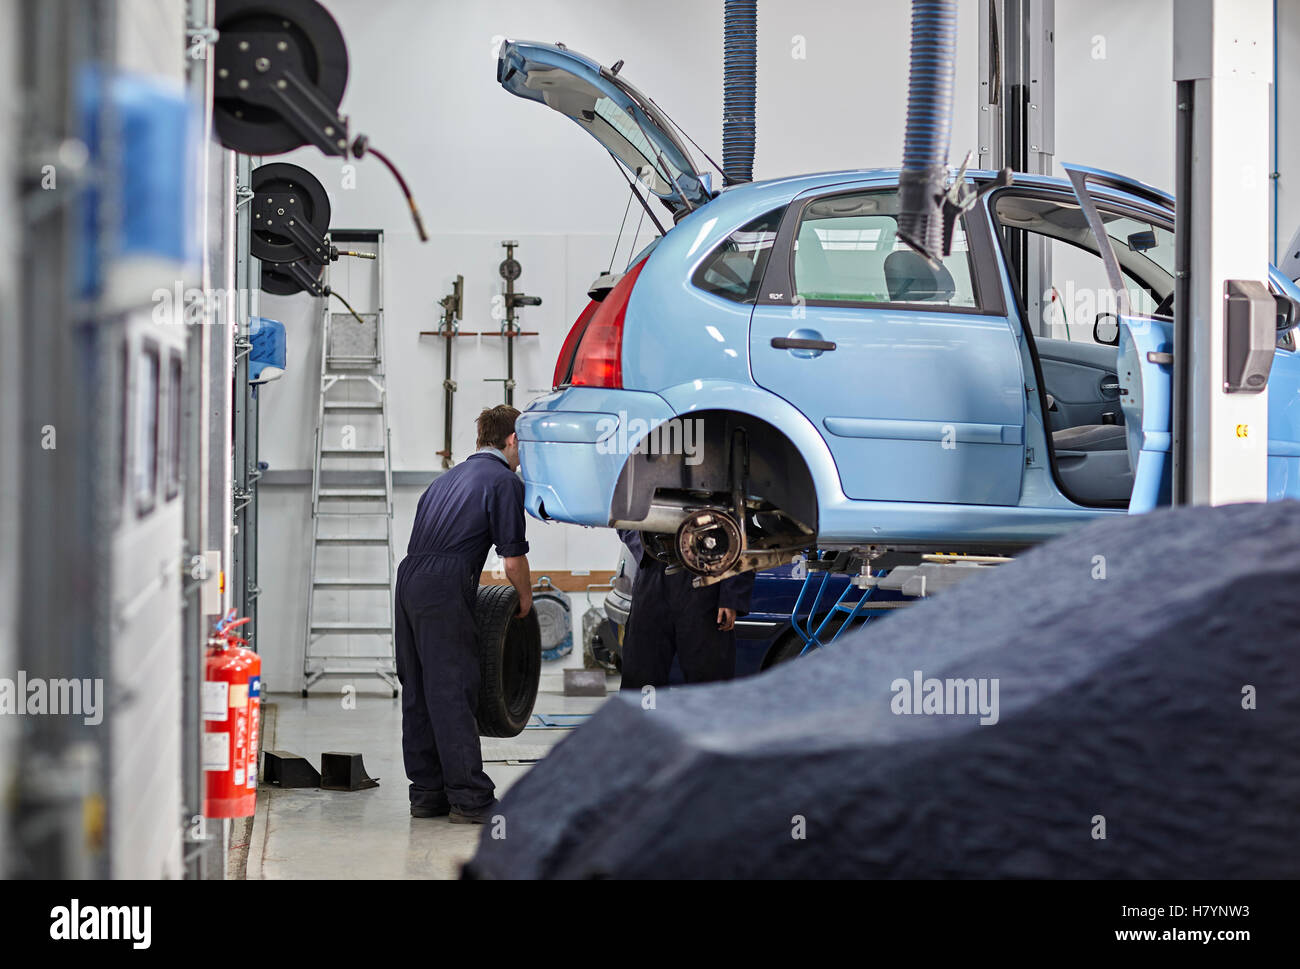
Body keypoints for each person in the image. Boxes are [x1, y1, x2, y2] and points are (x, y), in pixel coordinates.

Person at [394, 405, 532, 823]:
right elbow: (512, 560)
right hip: (445, 581)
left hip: (409, 577)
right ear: (512, 440)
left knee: (418, 686)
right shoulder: (504, 482)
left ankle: (428, 793)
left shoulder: (444, 480)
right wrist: (524, 599)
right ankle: (470, 799)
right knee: (453, 686)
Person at [616, 529, 755, 690]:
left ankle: (707, 716)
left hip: (707, 578)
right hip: (653, 573)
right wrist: (647, 545)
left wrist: (731, 595)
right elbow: (621, 517)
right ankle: (645, 714)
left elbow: (741, 528)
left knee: (708, 676)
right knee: (643, 674)